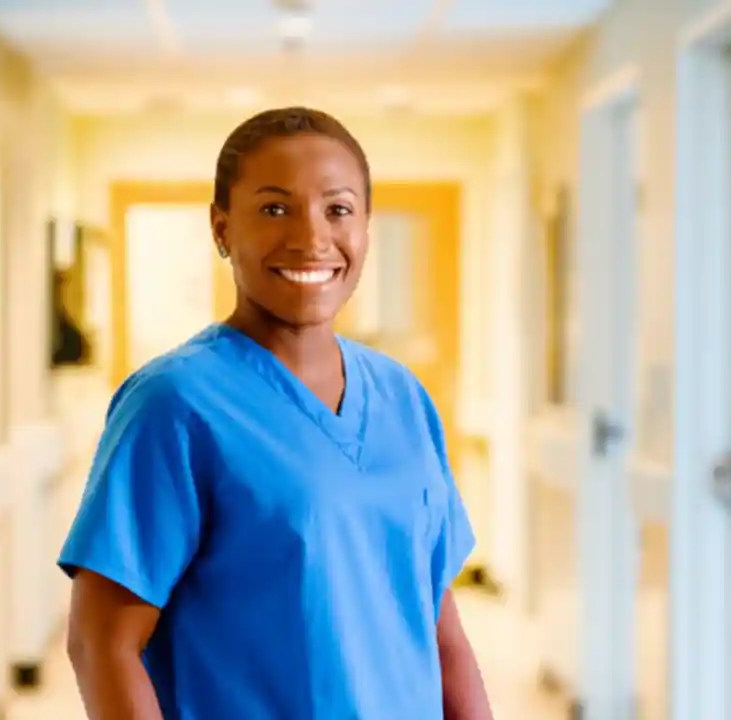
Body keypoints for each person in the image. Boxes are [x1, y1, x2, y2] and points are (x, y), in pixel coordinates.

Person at [59, 106, 492, 719]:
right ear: (221, 228)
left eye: (338, 209)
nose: (311, 237)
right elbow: (101, 643)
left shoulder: (402, 397)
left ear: (366, 227)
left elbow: (439, 626)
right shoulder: (175, 404)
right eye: (274, 208)